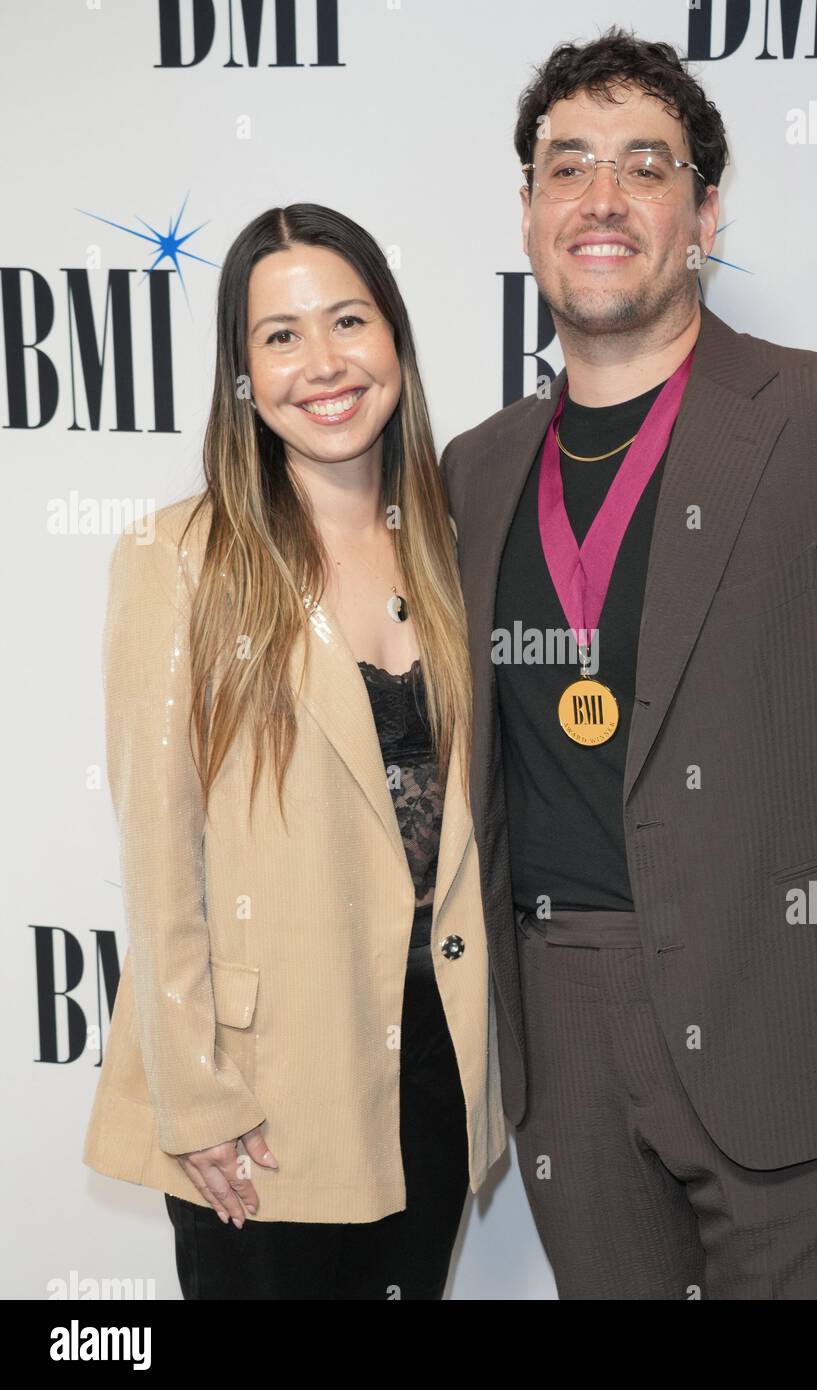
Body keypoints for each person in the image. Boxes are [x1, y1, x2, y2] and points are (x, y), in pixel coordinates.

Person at [440, 29, 817, 1300]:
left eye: (643, 167)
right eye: (566, 166)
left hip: (797, 1025)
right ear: (527, 214)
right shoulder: (471, 472)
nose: (600, 197)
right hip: (562, 1026)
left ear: (702, 212)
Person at [82, 204, 505, 1300]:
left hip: (432, 1068)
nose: (321, 363)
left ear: (395, 341)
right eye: (279, 336)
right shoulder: (180, 558)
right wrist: (195, 1094)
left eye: (347, 320)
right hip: (261, 1090)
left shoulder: (456, 550)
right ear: (242, 376)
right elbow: (161, 847)